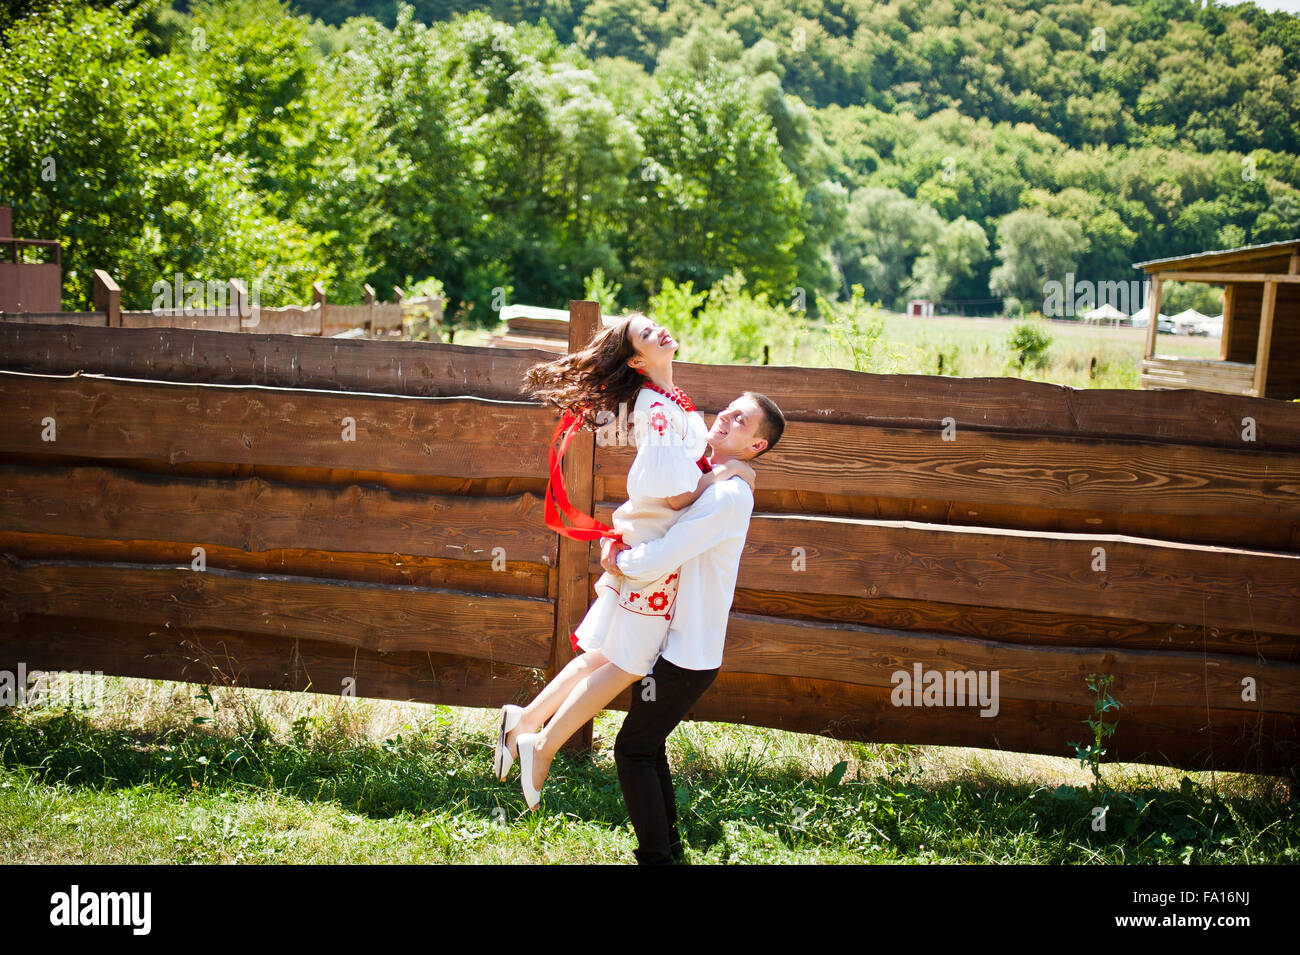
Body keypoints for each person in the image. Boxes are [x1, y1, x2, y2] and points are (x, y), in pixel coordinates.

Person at [494, 312, 755, 810]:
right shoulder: (658, 408)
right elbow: (677, 495)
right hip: (650, 557)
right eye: (644, 334)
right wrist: (725, 474)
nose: (658, 330)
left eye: (653, 324)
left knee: (603, 656)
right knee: (628, 663)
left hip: (644, 545)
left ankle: (526, 719)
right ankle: (540, 749)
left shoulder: (670, 399)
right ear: (637, 359)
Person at [601, 389, 785, 864]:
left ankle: (658, 857)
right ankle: (668, 852)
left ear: (756, 446)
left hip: (687, 654)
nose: (726, 417)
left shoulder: (727, 495)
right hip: (677, 645)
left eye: (741, 421)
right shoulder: (716, 478)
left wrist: (619, 559)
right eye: (729, 408)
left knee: (634, 749)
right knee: (648, 745)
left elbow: (664, 553)